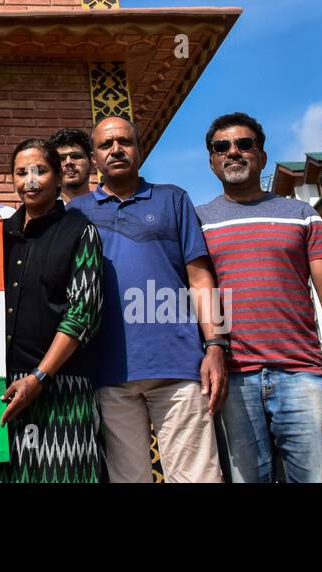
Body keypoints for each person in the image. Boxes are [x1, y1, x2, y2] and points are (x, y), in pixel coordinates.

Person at [196, 111, 322, 483]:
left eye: (244, 144)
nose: (233, 152)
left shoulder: (302, 214)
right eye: (222, 147)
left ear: (262, 155)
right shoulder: (197, 221)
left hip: (307, 378)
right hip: (233, 384)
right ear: (212, 161)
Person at [70, 117, 225, 483]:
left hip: (179, 366)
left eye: (124, 141)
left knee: (198, 478)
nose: (116, 149)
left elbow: (201, 277)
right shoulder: (77, 213)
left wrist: (217, 345)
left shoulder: (173, 198)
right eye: (106, 145)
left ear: (139, 150)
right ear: (94, 158)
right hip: (108, 372)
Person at [0, 140, 103, 483]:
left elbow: (83, 312)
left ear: (57, 177)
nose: (30, 180)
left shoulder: (80, 231)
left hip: (61, 389)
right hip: (0, 391)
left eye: (40, 171)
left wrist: (39, 377)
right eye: (21, 172)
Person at [48, 128, 94, 205]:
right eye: (61, 158)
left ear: (91, 161)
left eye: (76, 156)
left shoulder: (108, 209)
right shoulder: (44, 212)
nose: (68, 162)